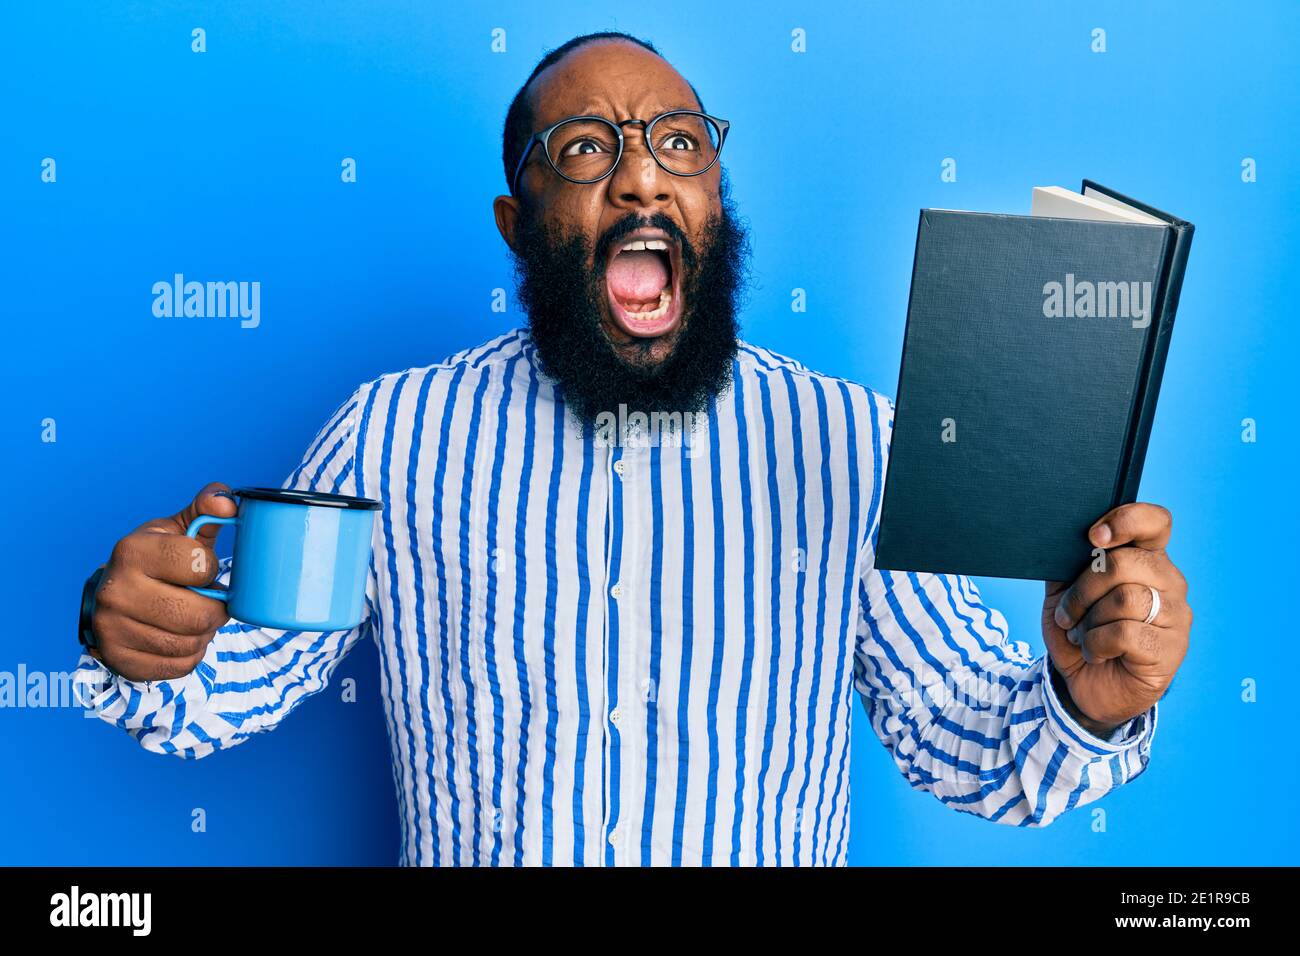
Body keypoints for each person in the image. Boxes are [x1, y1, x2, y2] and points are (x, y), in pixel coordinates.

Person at [75, 32, 1191, 866]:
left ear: (711, 198)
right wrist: (139, 640)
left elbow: (971, 739)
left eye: (676, 144)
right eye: (584, 148)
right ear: (518, 220)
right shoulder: (391, 437)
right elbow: (225, 687)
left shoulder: (851, 443)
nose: (642, 175)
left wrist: (1084, 699)